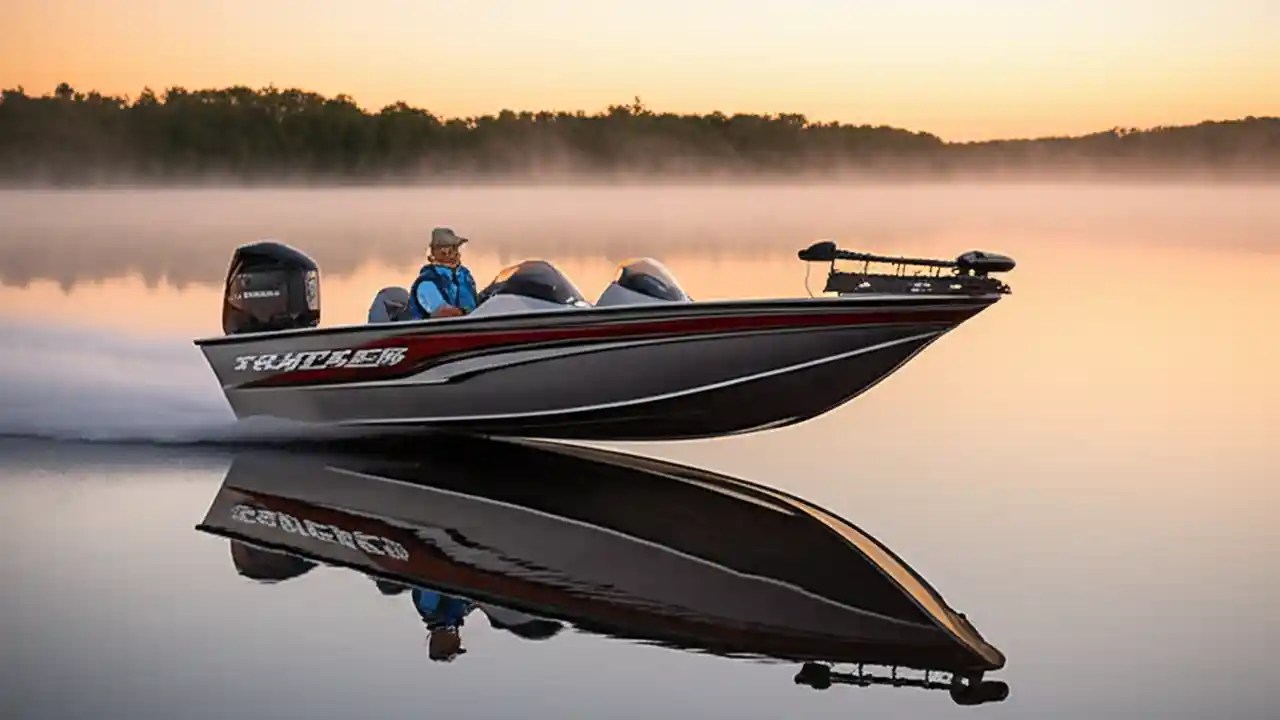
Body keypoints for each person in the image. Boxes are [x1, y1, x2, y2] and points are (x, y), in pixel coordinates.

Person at [408, 228, 479, 319]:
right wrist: (467, 312)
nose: (455, 253)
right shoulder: (427, 280)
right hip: (438, 331)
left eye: (455, 248)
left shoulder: (464, 275)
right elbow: (441, 312)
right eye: (451, 249)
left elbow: (474, 303)